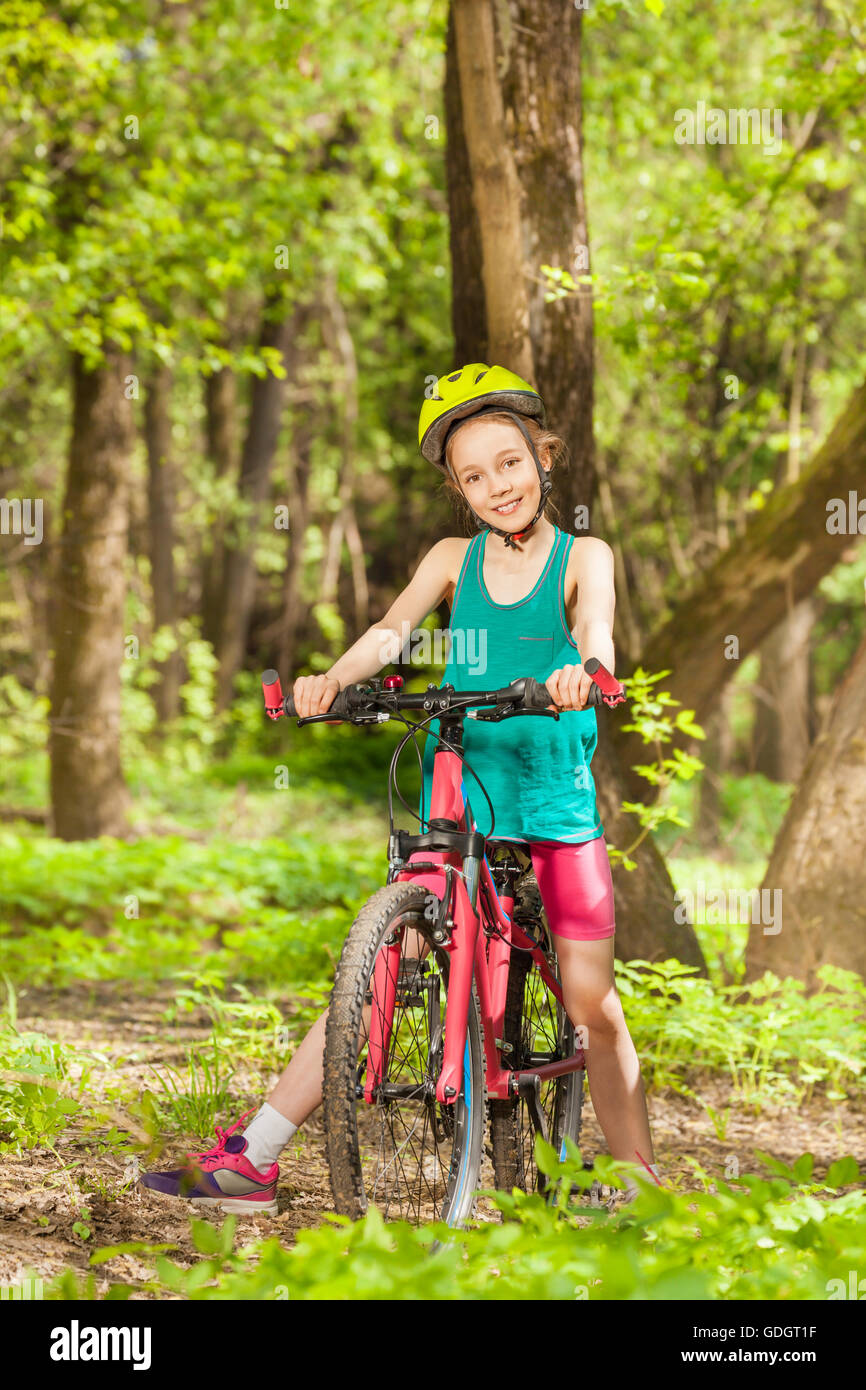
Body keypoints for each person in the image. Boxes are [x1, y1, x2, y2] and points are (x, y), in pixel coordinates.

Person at [139, 363, 661, 1215]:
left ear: (544, 456)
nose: (498, 483)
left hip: (550, 797)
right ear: (458, 490)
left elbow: (595, 626)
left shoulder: (583, 555)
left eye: (511, 462)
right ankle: (255, 1155)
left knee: (591, 999)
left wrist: (588, 672)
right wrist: (331, 681)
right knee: (384, 967)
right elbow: (392, 633)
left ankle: (637, 1172)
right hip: (460, 788)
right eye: (476, 474)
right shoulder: (452, 560)